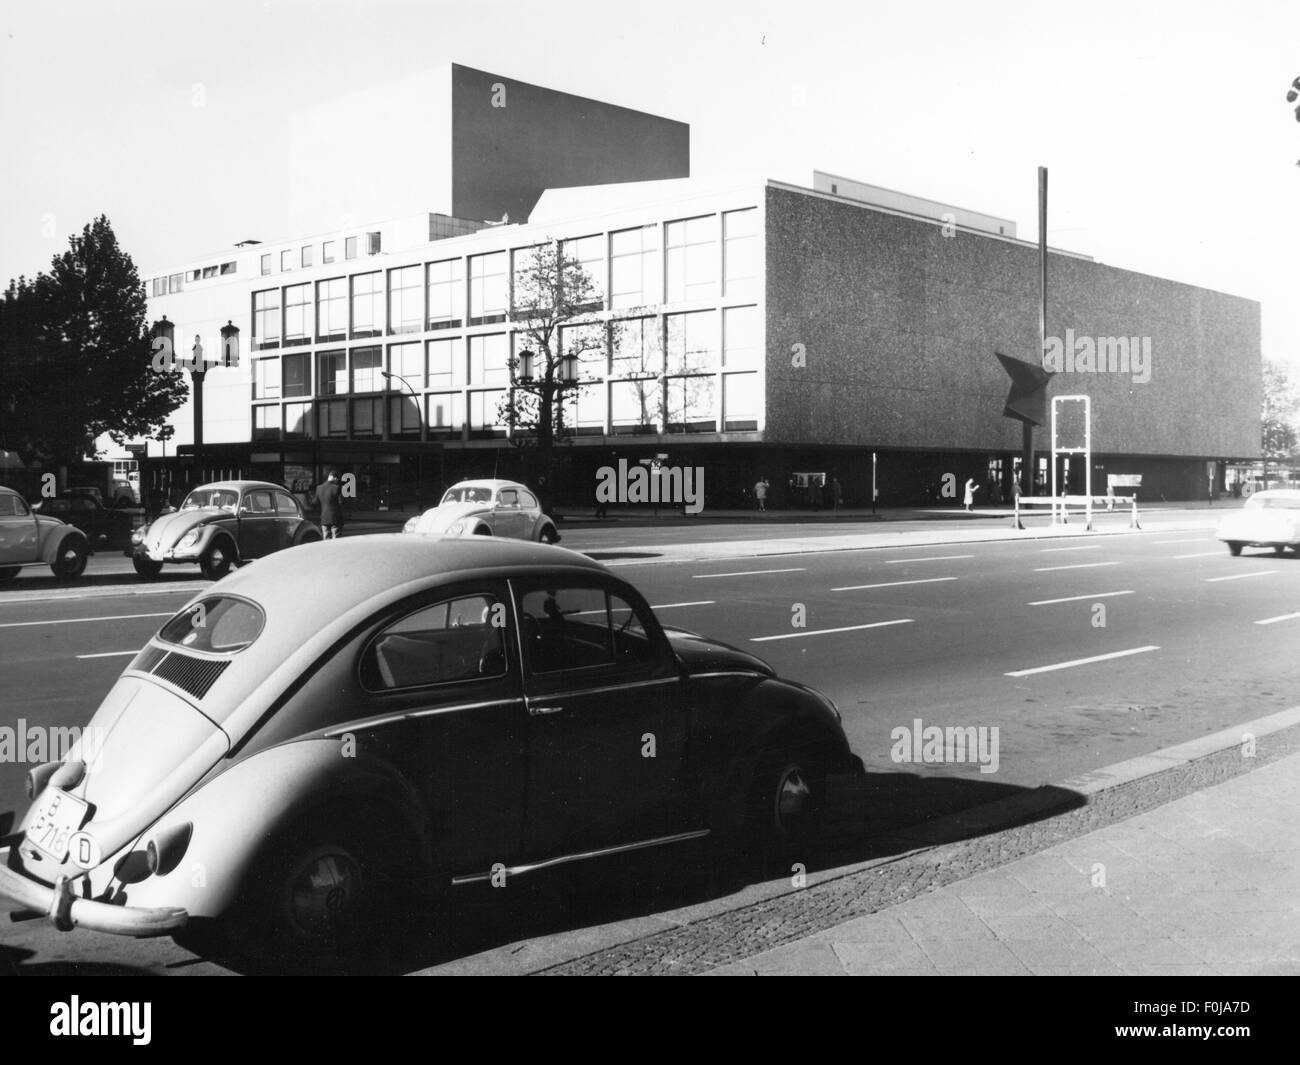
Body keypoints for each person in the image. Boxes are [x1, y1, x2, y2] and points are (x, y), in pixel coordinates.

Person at [316, 469, 345, 539]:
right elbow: (341, 503)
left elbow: (315, 503)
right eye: (337, 480)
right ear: (335, 478)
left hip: (324, 518)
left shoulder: (319, 488)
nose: (337, 481)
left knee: (326, 539)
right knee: (336, 539)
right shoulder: (336, 488)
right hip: (335, 518)